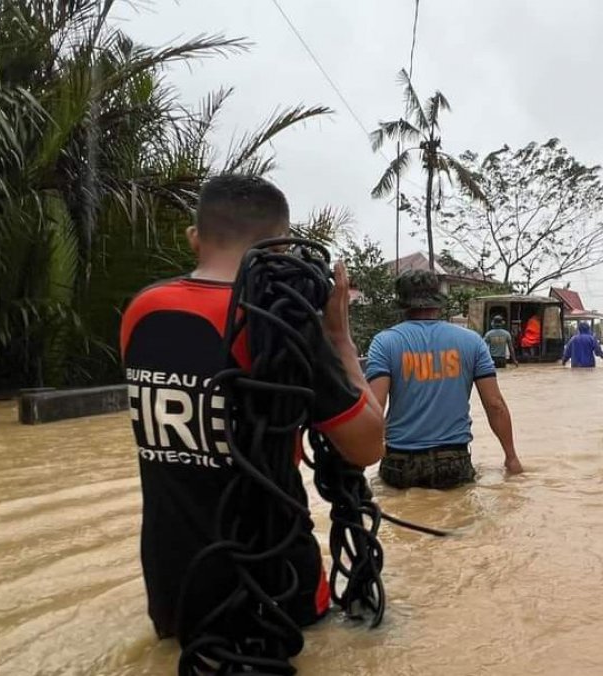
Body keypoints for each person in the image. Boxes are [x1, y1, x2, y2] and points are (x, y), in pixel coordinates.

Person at [120, 174, 385, 639]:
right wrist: (339, 339)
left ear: (193, 237)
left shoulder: (142, 311)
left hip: (174, 591)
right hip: (277, 589)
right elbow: (366, 445)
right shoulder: (279, 323)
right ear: (281, 248)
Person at [367, 270, 524, 489]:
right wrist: (511, 458)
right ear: (438, 302)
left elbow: (374, 408)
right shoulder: (473, 341)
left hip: (400, 463)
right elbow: (495, 405)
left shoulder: (384, 343)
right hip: (454, 461)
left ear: (402, 304)